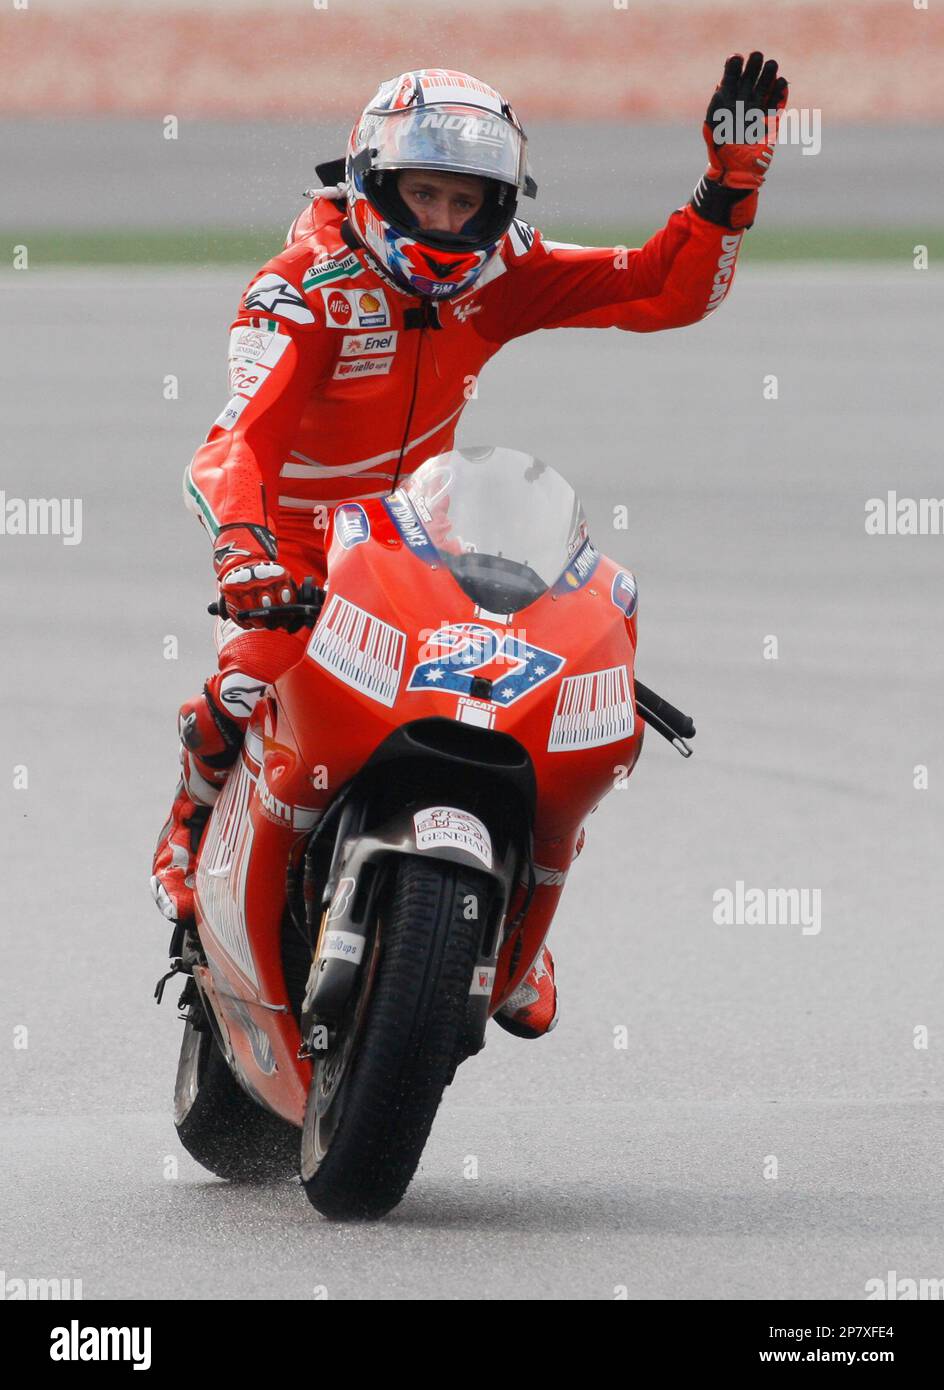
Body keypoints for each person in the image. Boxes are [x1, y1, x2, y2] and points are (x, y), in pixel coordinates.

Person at [152, 58, 788, 1039]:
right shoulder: (302, 292)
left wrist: (725, 188)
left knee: (511, 699)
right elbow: (231, 441)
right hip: (292, 555)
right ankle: (186, 846)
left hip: (411, 546)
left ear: (496, 207)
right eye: (423, 195)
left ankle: (506, 918)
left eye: (465, 201)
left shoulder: (499, 274)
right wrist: (241, 548)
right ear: (371, 181)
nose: (443, 222)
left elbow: (659, 290)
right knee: (247, 683)